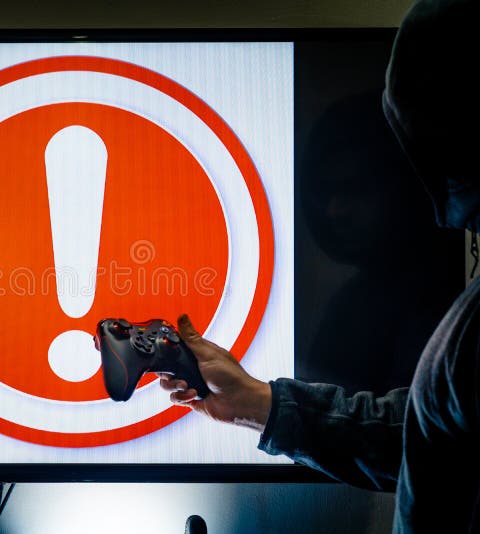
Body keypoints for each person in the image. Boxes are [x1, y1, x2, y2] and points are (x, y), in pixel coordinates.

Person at [161, 0, 479, 531]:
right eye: (326, 188)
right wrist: (258, 403)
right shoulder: (415, 321)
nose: (334, 209)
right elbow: (421, 435)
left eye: (355, 185)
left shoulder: (467, 330)